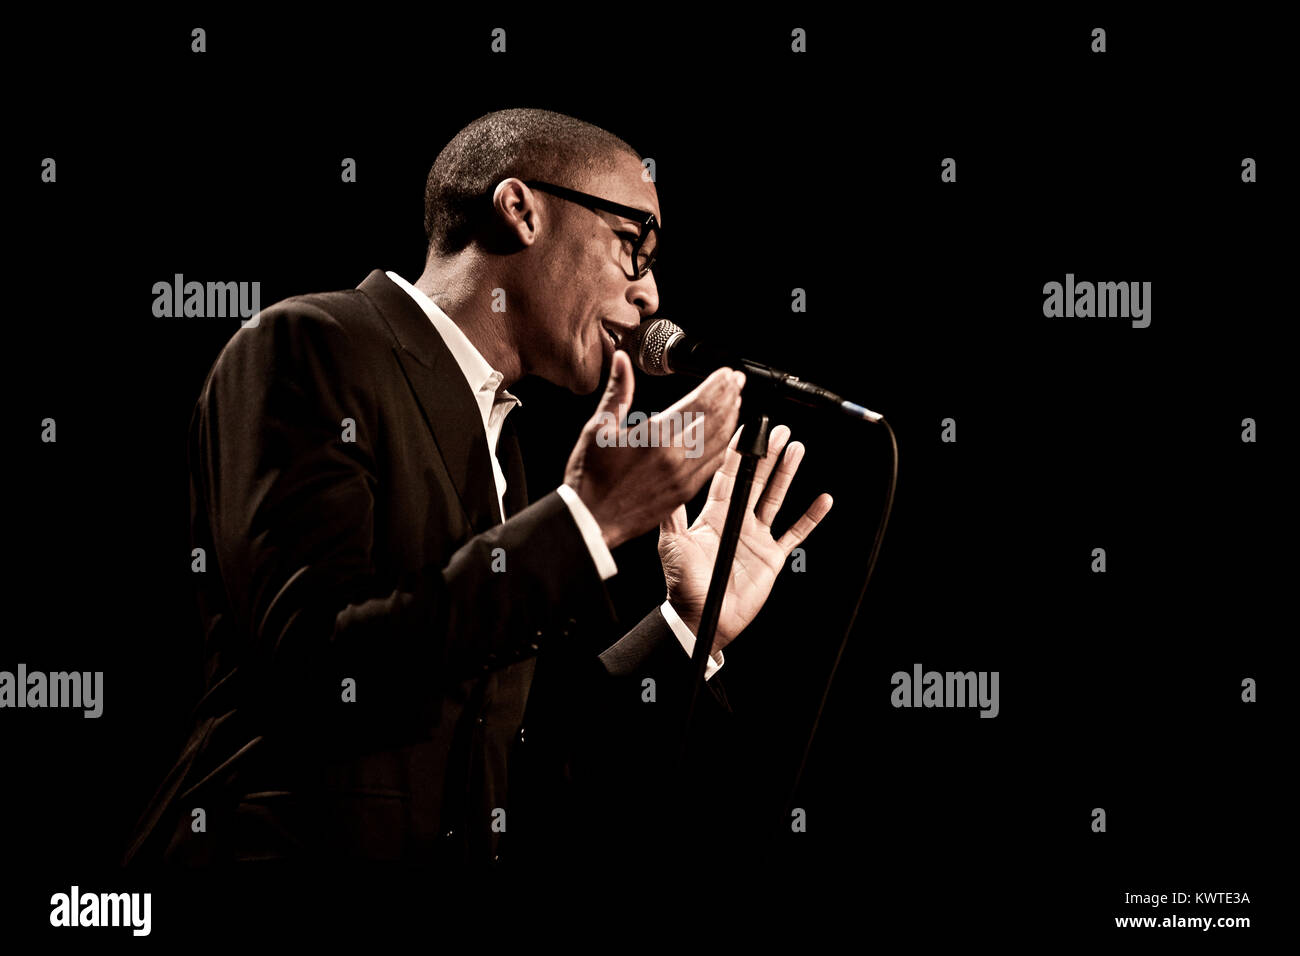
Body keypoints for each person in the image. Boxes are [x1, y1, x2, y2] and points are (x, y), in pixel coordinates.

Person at [122, 108, 833, 879]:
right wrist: (586, 521)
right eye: (634, 244)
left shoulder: (508, 448)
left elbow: (533, 753)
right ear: (521, 209)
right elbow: (321, 663)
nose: (652, 295)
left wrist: (688, 627)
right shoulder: (310, 343)